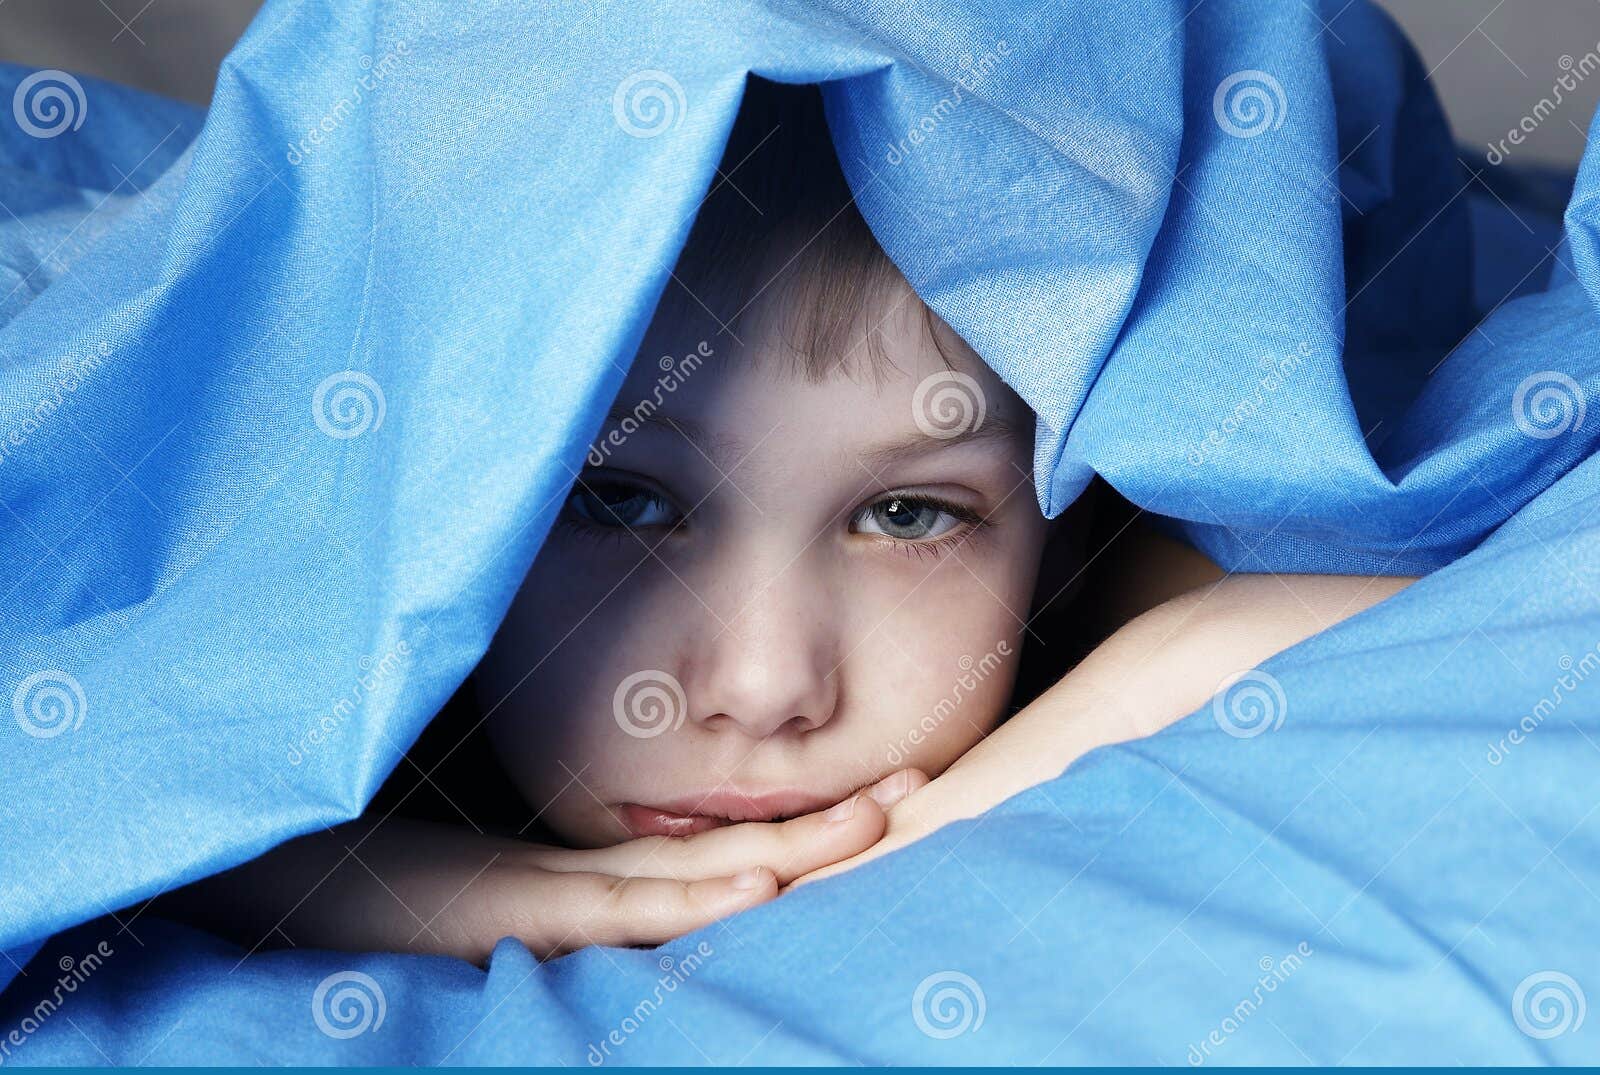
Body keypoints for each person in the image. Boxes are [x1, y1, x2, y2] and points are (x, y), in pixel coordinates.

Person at [167, 81, 1411, 964]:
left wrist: (922, 825)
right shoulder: (364, 607)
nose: (761, 687)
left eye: (908, 510)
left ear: (1062, 528)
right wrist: (488, 888)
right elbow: (121, 787)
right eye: (621, 500)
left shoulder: (1096, 544)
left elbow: (1348, 621)